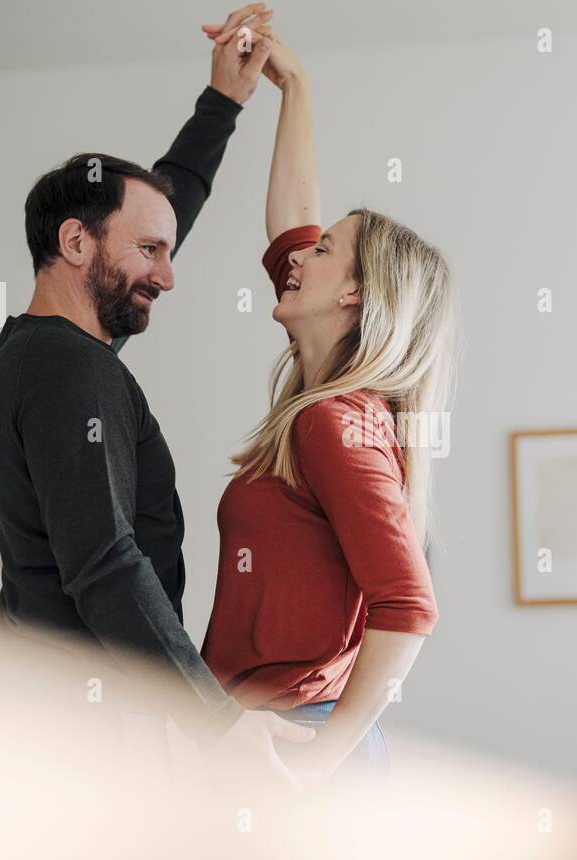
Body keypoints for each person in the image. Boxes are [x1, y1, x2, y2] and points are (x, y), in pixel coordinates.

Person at [0, 8, 310, 784]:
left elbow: (166, 204)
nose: (167, 273)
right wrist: (216, 721)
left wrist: (224, 102)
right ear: (75, 242)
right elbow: (105, 562)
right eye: (150, 250)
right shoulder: (67, 367)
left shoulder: (42, 351)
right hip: (82, 740)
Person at [196, 8, 459, 780]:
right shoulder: (339, 409)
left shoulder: (330, 422)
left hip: (296, 742)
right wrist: (294, 87)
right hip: (281, 732)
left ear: (353, 294)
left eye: (322, 251)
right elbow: (291, 225)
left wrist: (320, 764)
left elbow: (409, 605)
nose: (296, 258)